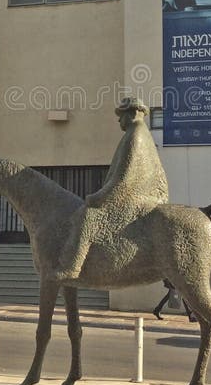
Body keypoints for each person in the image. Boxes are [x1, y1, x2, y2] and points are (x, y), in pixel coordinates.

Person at [55, 98, 168, 280]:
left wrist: (100, 197)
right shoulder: (138, 134)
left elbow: (123, 180)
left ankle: (73, 266)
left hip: (139, 198)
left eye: (121, 115)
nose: (118, 120)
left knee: (88, 216)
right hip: (140, 194)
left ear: (131, 114)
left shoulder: (135, 135)